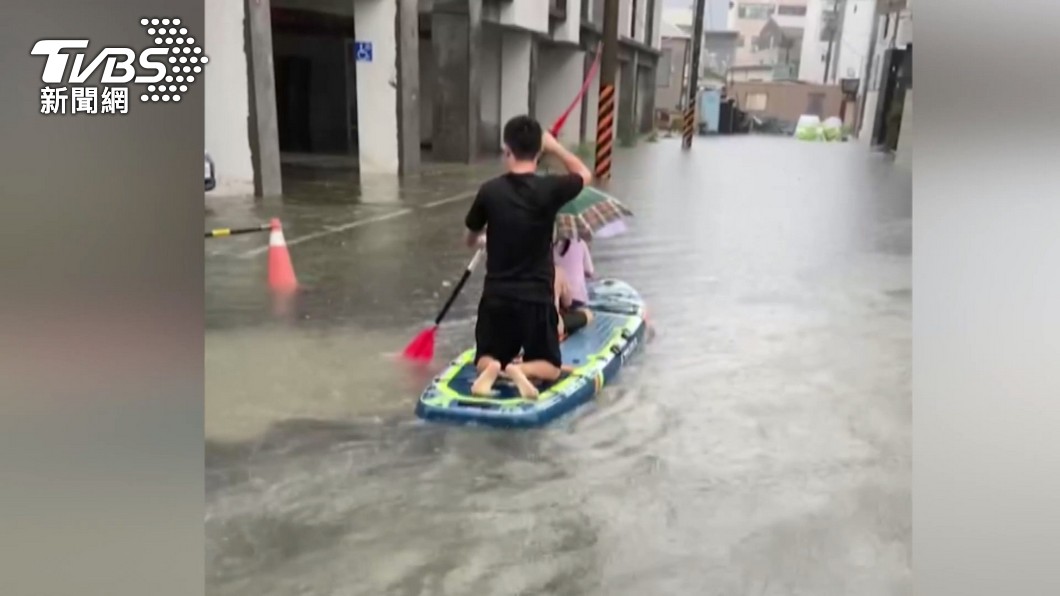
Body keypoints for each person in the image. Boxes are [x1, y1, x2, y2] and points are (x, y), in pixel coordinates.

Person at [464, 115, 593, 398]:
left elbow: (470, 238)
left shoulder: (489, 191)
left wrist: (481, 240)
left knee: (484, 357)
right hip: (535, 298)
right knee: (551, 368)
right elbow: (584, 173)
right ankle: (521, 369)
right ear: (538, 152)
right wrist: (555, 148)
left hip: (497, 297)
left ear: (506, 150)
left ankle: (493, 367)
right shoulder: (551, 188)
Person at [553, 239, 595, 338]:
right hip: (553, 325)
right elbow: (568, 302)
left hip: (526, 323)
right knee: (588, 314)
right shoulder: (558, 273)